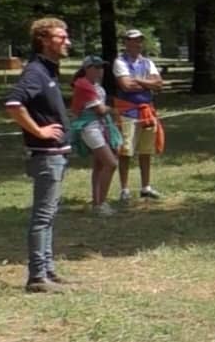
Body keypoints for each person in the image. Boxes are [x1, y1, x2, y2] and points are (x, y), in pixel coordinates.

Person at [4, 18, 73, 293]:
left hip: (56, 154)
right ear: (44, 40)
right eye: (61, 37)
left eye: (66, 36)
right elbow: (13, 104)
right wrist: (40, 131)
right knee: (42, 217)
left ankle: (47, 270)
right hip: (46, 156)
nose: (67, 41)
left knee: (50, 214)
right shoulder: (35, 72)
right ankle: (36, 277)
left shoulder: (48, 70)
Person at [112, 29, 166, 202]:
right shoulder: (119, 62)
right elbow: (126, 86)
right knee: (126, 151)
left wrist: (139, 81)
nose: (137, 43)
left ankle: (146, 187)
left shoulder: (147, 62)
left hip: (146, 111)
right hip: (128, 111)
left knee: (146, 150)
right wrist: (148, 84)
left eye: (139, 40)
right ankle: (125, 189)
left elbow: (159, 84)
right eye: (133, 40)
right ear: (126, 42)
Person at [69, 55, 122, 216]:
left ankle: (96, 201)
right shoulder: (84, 85)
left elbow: (101, 108)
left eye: (102, 67)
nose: (100, 71)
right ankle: (101, 204)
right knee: (111, 163)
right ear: (87, 69)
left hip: (101, 126)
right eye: (96, 67)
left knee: (99, 165)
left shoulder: (97, 86)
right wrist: (112, 110)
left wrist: (108, 110)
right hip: (90, 128)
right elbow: (99, 110)